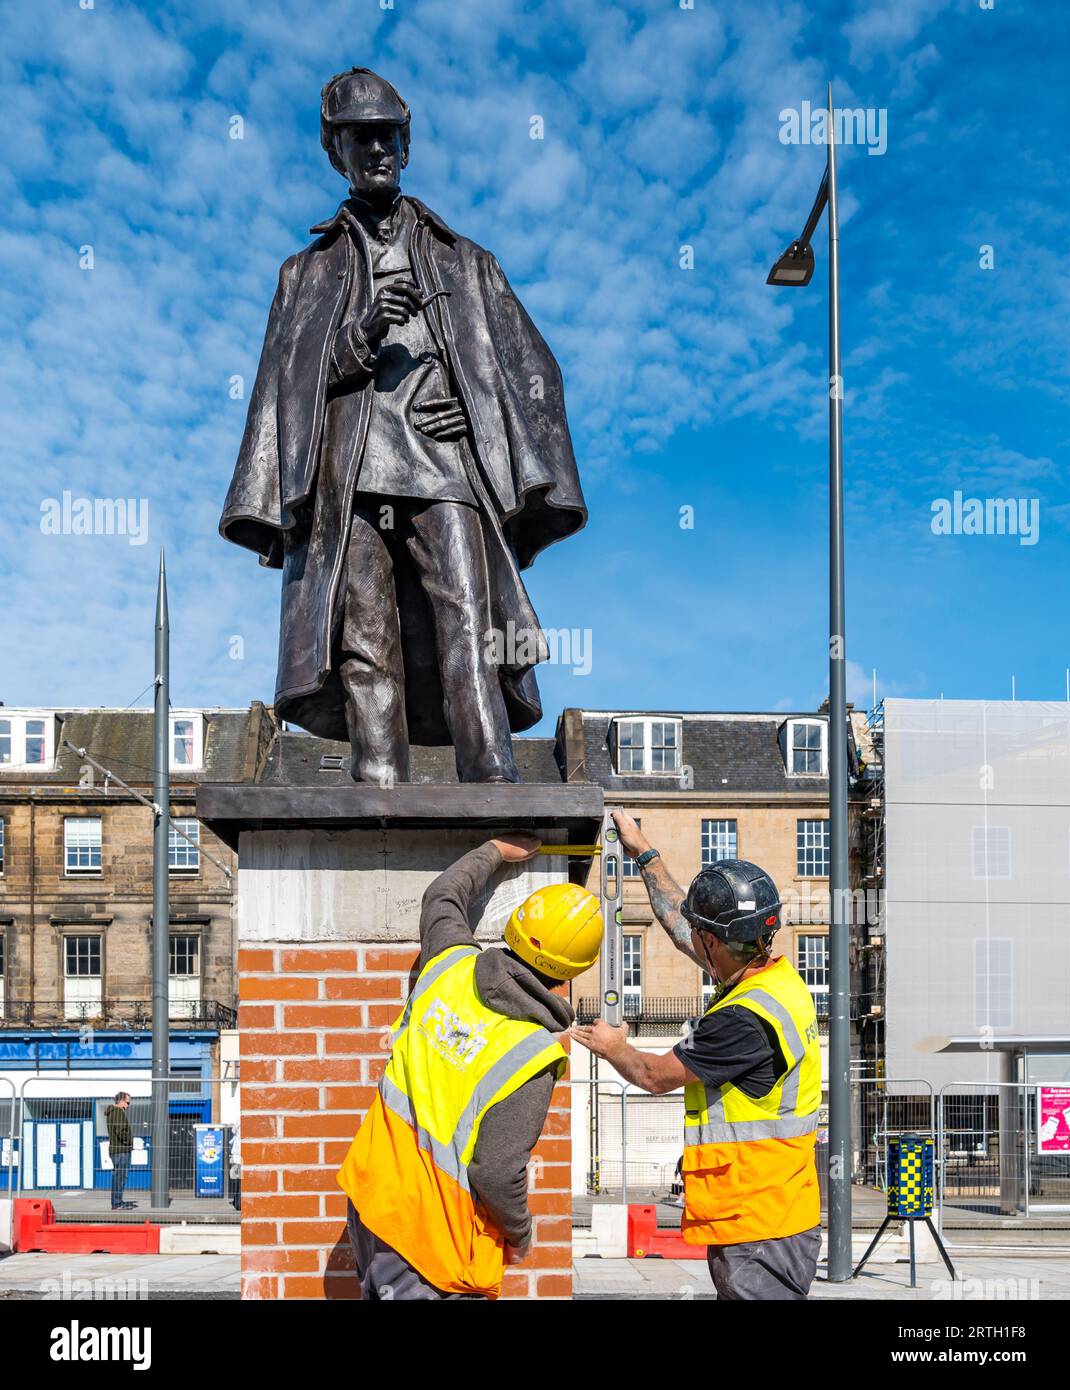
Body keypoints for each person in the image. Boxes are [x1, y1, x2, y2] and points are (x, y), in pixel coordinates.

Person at [220, 67, 586, 785]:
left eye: (389, 135)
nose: (378, 149)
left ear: (407, 143)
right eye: (362, 137)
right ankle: (377, 780)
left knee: (470, 625)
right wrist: (357, 339)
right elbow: (281, 392)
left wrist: (477, 419)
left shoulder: (466, 260)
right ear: (336, 151)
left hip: (444, 465)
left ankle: (491, 780)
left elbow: (533, 372)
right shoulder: (305, 273)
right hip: (348, 477)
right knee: (364, 639)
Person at [337, 832, 602, 1299]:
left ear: (517, 929)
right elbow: (497, 1172)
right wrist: (520, 1234)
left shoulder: (449, 965)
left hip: (373, 1194)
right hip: (430, 1239)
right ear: (571, 971)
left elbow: (442, 895)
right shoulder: (531, 1055)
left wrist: (496, 851)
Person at [571, 811, 823, 1301]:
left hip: (758, 1225)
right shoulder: (775, 981)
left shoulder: (742, 1020)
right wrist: (644, 852)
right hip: (775, 1211)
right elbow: (677, 922)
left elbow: (654, 1076)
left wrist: (611, 1046)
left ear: (713, 941)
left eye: (701, 934)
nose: (694, 940)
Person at [105, 1092, 136, 1211]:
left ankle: (117, 1202)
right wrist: (128, 1142)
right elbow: (121, 1131)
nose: (128, 1105)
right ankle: (117, 1203)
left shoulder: (112, 1112)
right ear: (121, 1101)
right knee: (120, 1177)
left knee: (118, 1177)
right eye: (128, 1102)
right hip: (121, 1150)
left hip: (117, 1150)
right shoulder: (117, 1112)